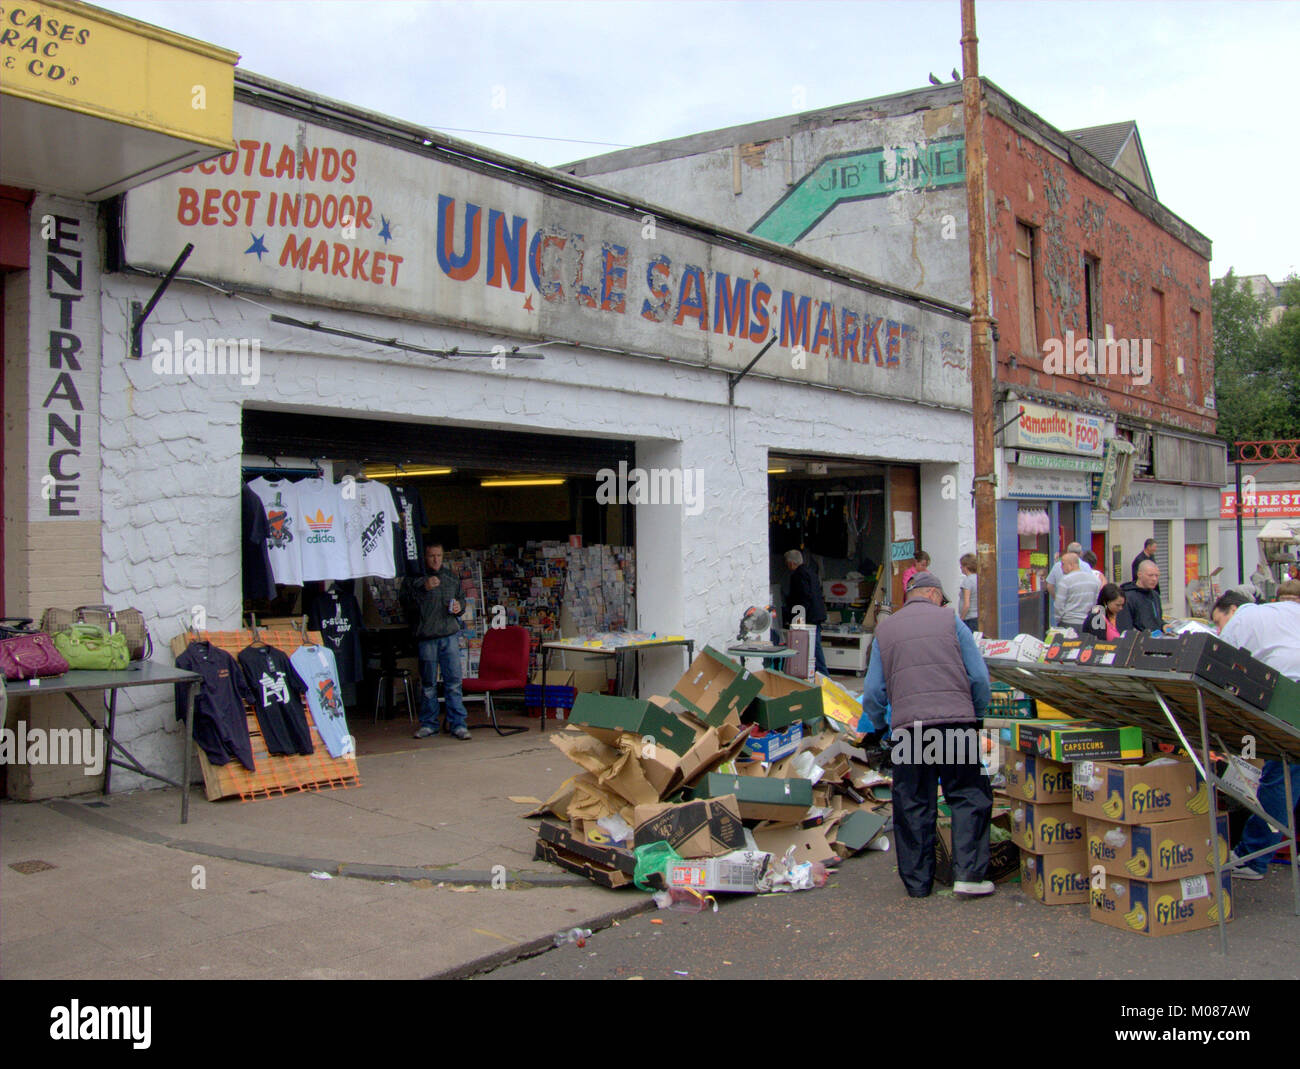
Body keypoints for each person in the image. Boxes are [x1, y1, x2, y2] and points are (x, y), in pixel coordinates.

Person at [860, 571, 993, 899]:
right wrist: (976, 716)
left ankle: (918, 884)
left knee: (913, 802)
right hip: (955, 723)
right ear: (934, 594)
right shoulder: (952, 621)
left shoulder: (885, 629)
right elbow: (979, 677)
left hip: (908, 729)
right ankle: (969, 877)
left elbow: (873, 692)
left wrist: (879, 726)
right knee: (967, 795)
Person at [1211, 590, 1300, 880]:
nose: (1218, 628)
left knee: (1280, 776)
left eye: (1218, 621)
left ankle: (1254, 856)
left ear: (1232, 609)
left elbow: (1218, 664)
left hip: (1291, 692)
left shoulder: (1241, 620)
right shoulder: (1283, 611)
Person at [402, 543, 471, 740]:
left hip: (449, 634)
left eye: (439, 555)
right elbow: (405, 603)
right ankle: (429, 723)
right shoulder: (414, 578)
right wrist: (423, 588)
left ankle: (458, 723)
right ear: (425, 557)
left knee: (453, 683)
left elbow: (461, 599)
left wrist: (460, 606)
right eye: (432, 556)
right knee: (428, 683)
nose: (436, 560)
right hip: (427, 636)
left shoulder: (450, 577)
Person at [784, 549, 828, 675]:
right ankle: (820, 673)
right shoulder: (811, 572)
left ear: (791, 563)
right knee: (815, 644)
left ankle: (823, 674)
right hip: (816, 613)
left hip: (808, 615)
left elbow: (803, 597)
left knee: (813, 646)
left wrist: (798, 617)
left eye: (787, 563)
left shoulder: (798, 575)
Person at [1051, 553, 1102, 630]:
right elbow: (1097, 603)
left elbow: (1059, 605)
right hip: (1088, 623)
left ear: (1071, 565)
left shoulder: (1065, 581)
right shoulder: (1095, 580)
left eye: (1063, 564)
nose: (1061, 567)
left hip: (1068, 622)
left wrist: (1059, 620)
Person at [1120, 560, 1165, 632]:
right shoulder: (1127, 597)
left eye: (1157, 575)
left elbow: (1157, 620)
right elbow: (1125, 627)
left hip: (1157, 639)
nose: (1154, 579)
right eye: (1150, 575)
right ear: (1139, 574)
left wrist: (1163, 625)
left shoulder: (1155, 595)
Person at [958, 552, 979, 632]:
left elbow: (966, 604)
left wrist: (961, 619)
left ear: (966, 567)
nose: (960, 567)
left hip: (969, 618)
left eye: (962, 566)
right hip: (977, 616)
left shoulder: (967, 581)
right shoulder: (978, 578)